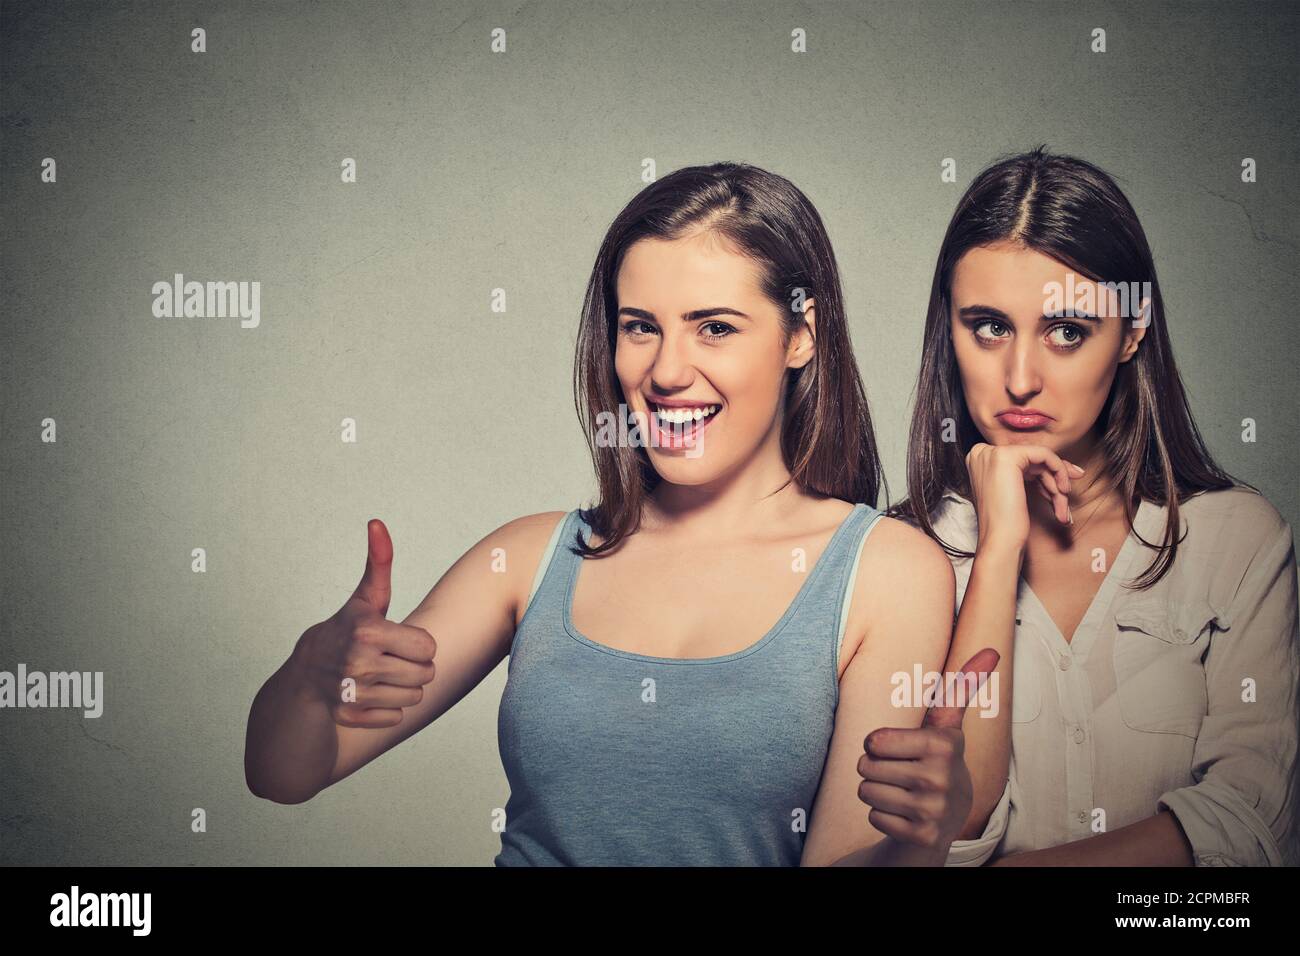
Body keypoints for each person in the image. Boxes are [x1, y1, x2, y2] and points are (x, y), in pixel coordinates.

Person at [244, 161, 994, 866]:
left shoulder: (887, 570)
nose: (666, 371)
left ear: (800, 336)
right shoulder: (529, 556)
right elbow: (283, 774)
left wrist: (918, 849)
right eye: (641, 326)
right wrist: (308, 678)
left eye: (716, 327)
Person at [895, 146, 1300, 866]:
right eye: (989, 326)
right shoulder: (902, 552)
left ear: (1132, 331)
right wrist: (996, 554)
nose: (1020, 378)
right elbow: (941, 836)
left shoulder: (1235, 538)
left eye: (1067, 331)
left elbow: (1250, 823)